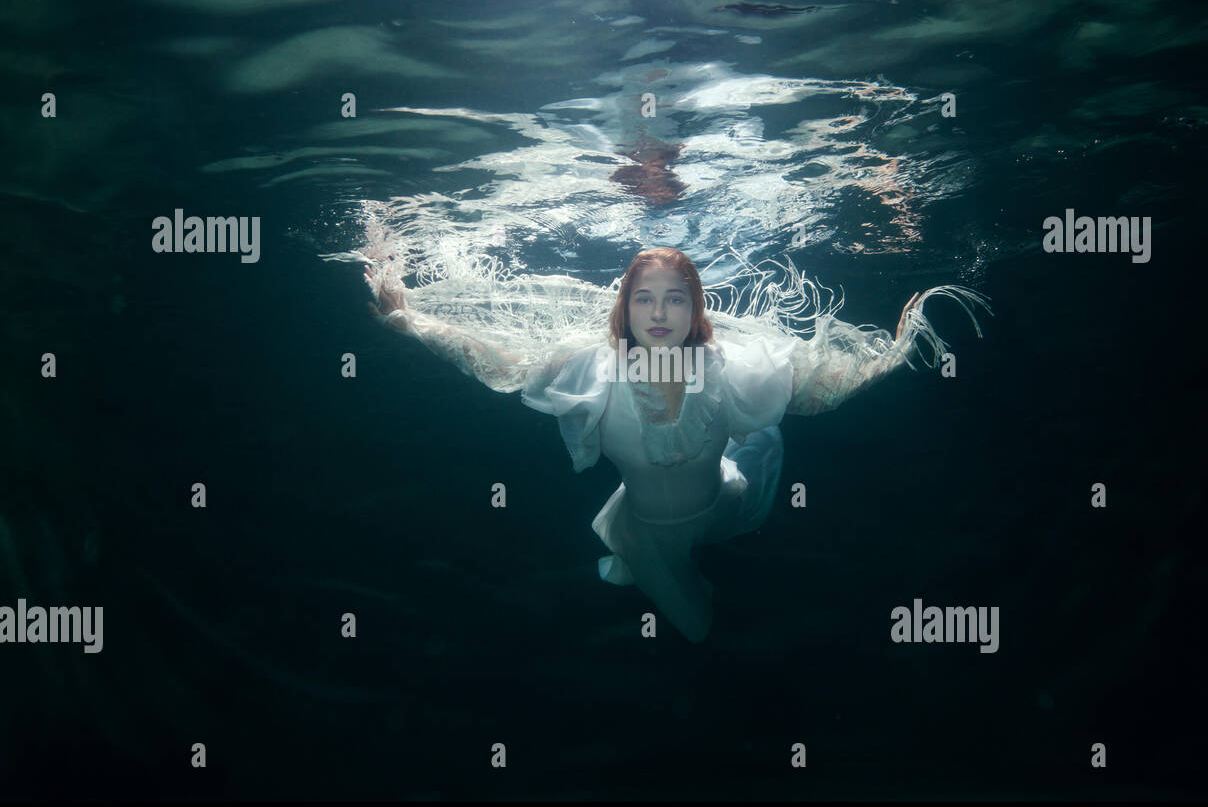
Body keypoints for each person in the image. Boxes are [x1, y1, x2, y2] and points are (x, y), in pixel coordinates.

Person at [363, 245, 986, 642]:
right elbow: (492, 359)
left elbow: (819, 390)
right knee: (699, 628)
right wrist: (407, 318)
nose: (659, 312)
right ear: (626, 309)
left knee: (762, 436)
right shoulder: (590, 373)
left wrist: (899, 351)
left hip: (725, 500)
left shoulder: (727, 369)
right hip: (648, 531)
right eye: (645, 298)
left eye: (675, 298)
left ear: (694, 310)